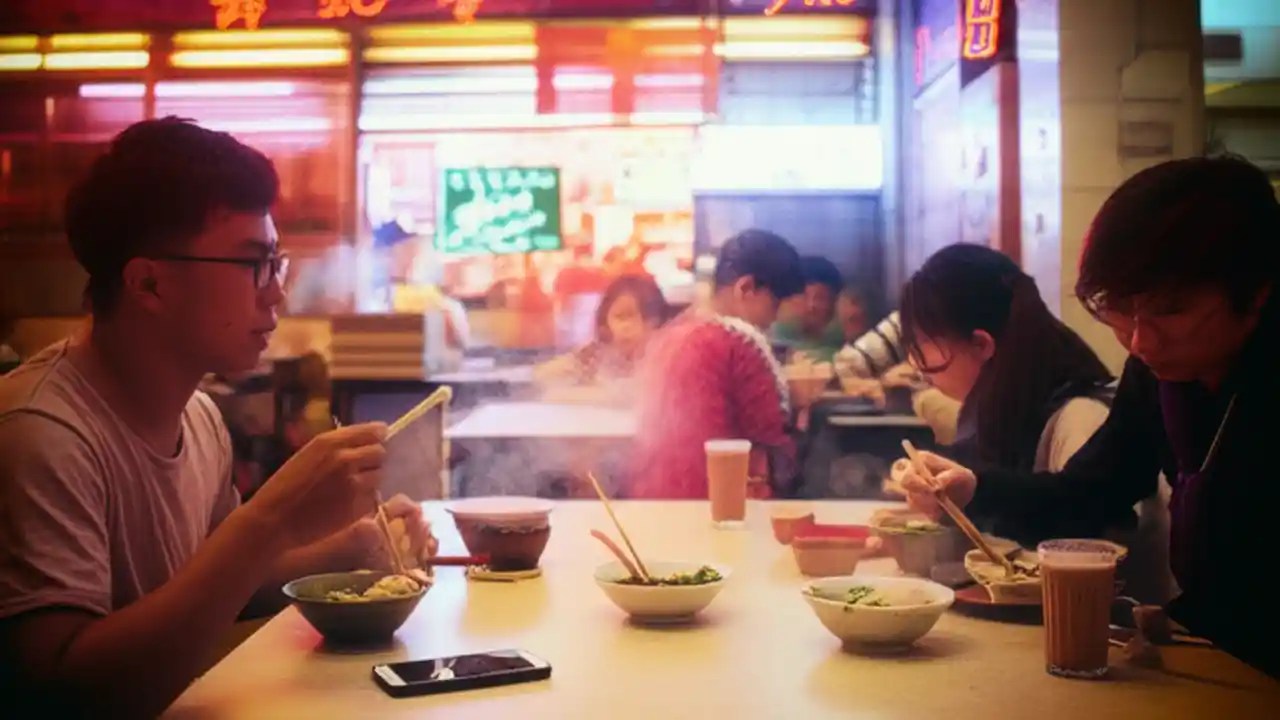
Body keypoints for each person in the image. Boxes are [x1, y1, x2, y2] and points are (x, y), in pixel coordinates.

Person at [0, 118, 436, 716]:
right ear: (149, 282)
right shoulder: (40, 435)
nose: (275, 293)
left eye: (276, 264)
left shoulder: (200, 417)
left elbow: (220, 587)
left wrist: (351, 549)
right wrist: (270, 518)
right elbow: (63, 691)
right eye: (253, 264)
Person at [899, 156, 1280, 678]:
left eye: (1171, 311)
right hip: (1216, 660)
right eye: (1121, 312)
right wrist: (973, 488)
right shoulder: (1158, 373)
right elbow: (1090, 490)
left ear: (1257, 293)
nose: (1141, 341)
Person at [898, 244, 1116, 543]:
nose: (917, 365)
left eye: (923, 345)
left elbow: (1088, 541)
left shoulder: (1079, 419)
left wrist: (975, 493)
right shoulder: (997, 406)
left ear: (980, 345)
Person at [629, 229, 804, 498]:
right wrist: (799, 405)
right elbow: (773, 448)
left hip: (655, 501)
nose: (773, 321)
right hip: (722, 506)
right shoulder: (740, 341)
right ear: (746, 288)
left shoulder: (675, 332)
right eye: (774, 305)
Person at [534, 274, 670, 391]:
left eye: (646, 317)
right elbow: (540, 378)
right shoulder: (590, 359)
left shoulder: (669, 366)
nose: (632, 327)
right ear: (604, 323)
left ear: (661, 323)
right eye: (622, 317)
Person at [772, 256, 847, 362]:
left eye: (821, 298)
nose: (811, 305)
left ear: (835, 302)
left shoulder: (845, 349)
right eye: (804, 296)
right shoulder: (771, 344)